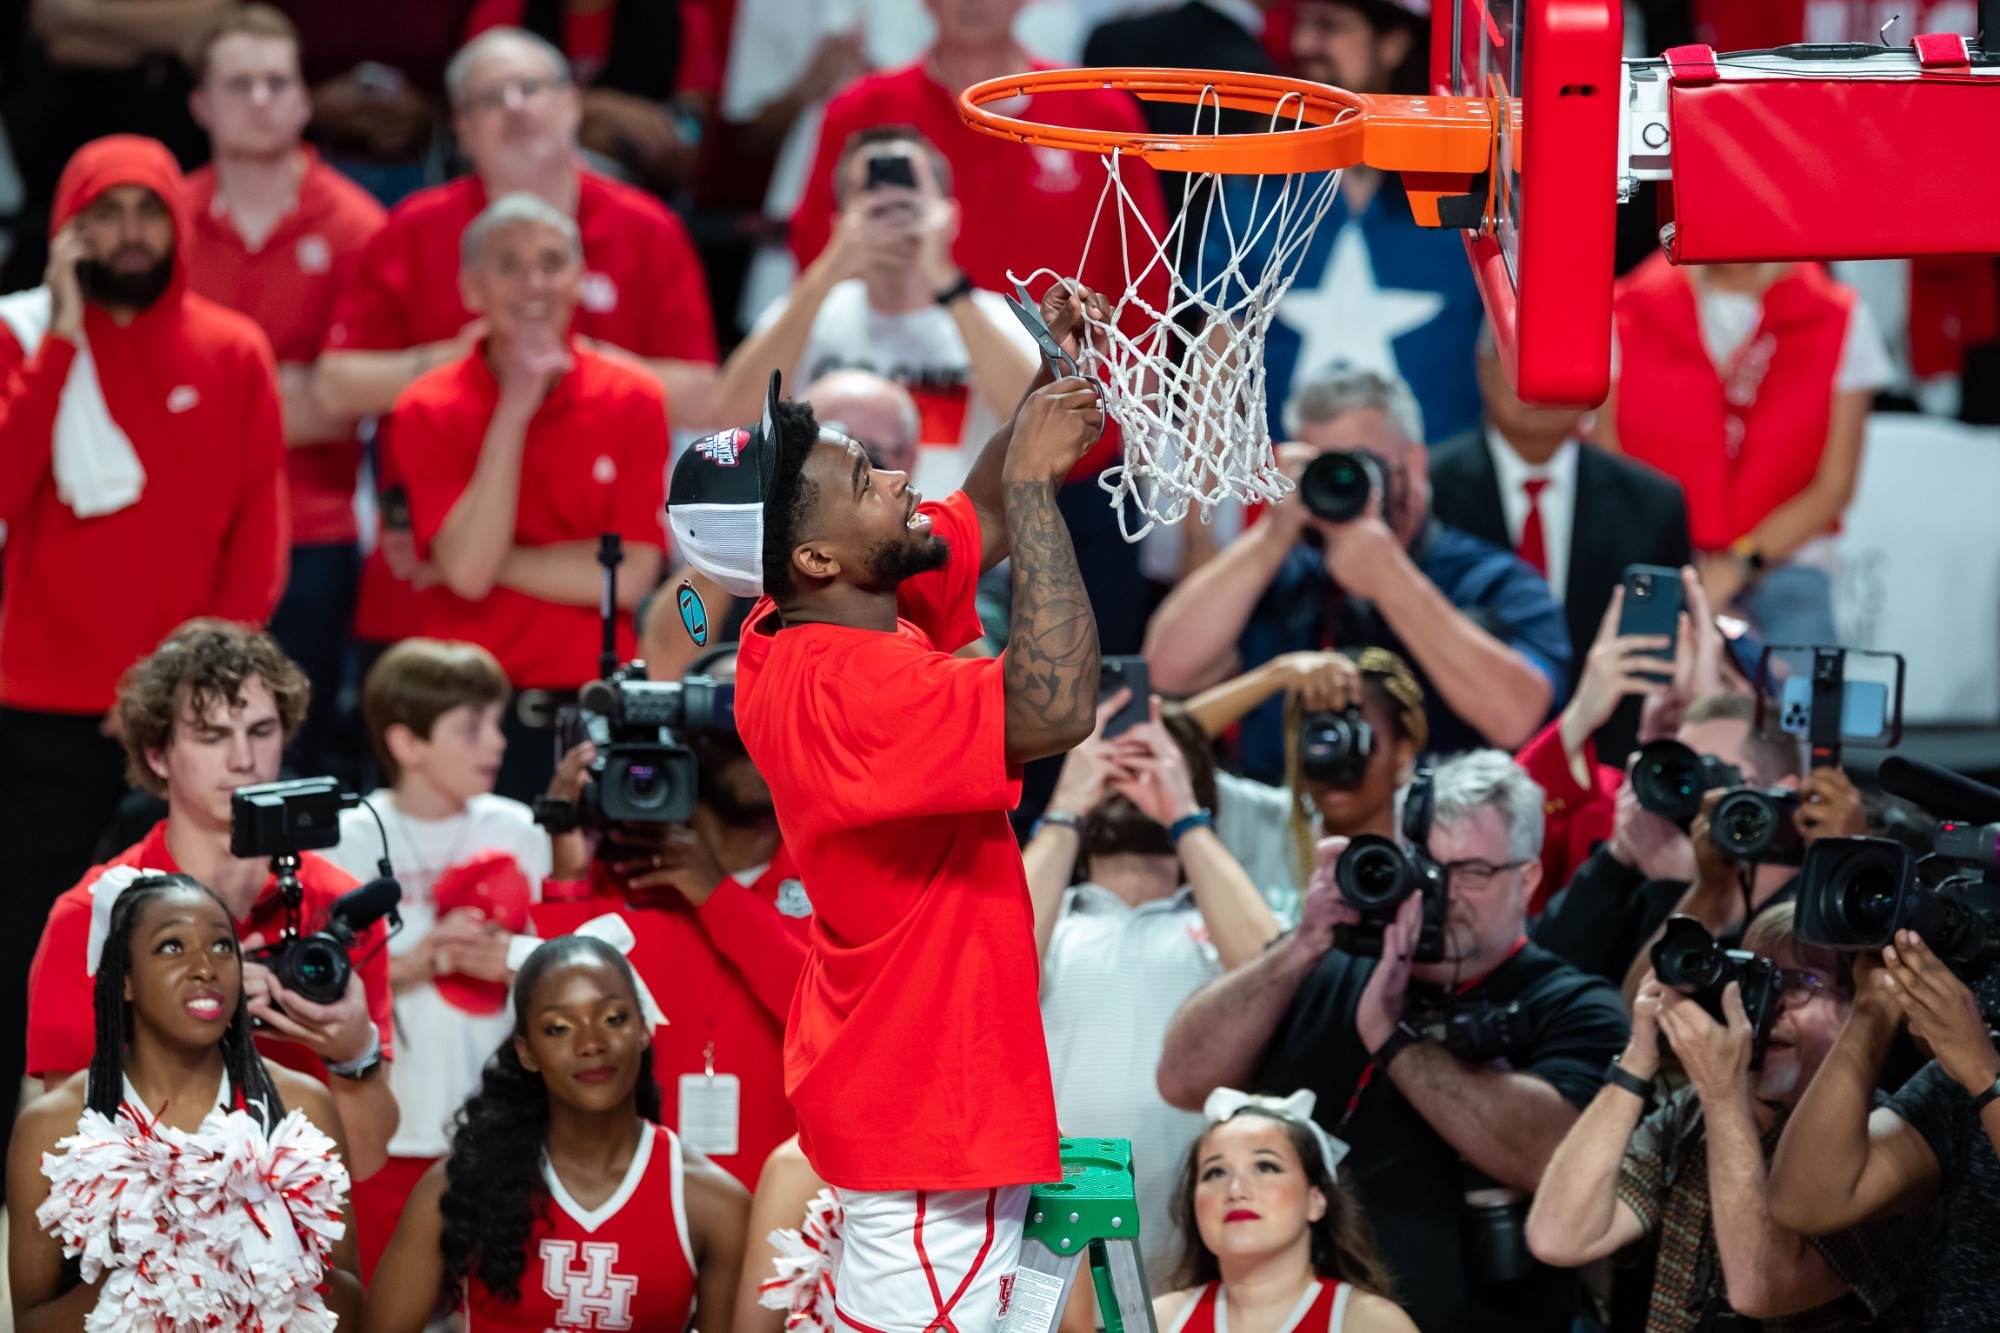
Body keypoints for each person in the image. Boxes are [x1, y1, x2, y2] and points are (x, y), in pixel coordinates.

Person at [665, 281, 1109, 1328]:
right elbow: (1055, 703)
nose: (900, 476)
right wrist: (1045, 492)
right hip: (928, 1131)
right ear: (814, 555)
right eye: (865, 477)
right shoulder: (840, 686)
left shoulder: (833, 602)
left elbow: (987, 507)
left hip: (924, 1114)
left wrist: (1049, 382)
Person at [0, 134, 287, 1145]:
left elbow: (257, 532)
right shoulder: (22, 336)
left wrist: (217, 697)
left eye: (148, 210)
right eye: (106, 213)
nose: (130, 234)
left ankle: (191, 1139)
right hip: (35, 704)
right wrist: (64, 342)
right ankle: (27, 1159)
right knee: (22, 938)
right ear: (68, 230)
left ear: (179, 222)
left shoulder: (233, 348)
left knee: (188, 936)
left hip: (181, 723)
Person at [1157, 750, 1631, 1332]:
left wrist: (1391, 1035)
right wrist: (1302, 944)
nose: (1442, 892)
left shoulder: (1574, 1004)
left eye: (1472, 872)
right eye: (1425, 866)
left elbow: (1552, 1157)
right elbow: (1181, 1079)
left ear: (1527, 877)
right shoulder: (1325, 962)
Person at [315, 25, 715, 672]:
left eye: (531, 88)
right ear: (462, 128)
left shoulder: (647, 229)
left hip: (580, 632)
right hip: (424, 609)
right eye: (491, 97)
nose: (517, 107)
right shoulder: (413, 229)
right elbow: (335, 384)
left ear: (573, 104)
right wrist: (485, 356)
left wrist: (575, 362)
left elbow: (704, 395)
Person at [784, 0, 1175, 655]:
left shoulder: (1098, 114)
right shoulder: (862, 111)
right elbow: (813, 261)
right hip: (899, 466)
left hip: (1075, 458)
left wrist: (1123, 427)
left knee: (1077, 702)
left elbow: (1144, 291)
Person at [25, 621, 400, 1184]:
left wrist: (353, 1054)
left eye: (262, 730)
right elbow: (74, 1160)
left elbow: (364, 1161)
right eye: (211, 736)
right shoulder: (93, 914)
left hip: (301, 1247)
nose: (242, 759)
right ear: (157, 754)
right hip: (146, 1248)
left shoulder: (339, 907)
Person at [1146, 363, 1571, 781]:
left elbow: (1519, 718)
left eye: (1362, 465)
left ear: (1417, 464)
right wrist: (1269, 539)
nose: (1343, 484)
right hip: (1282, 818)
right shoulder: (1284, 572)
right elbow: (1165, 672)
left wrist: (1392, 582)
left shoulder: (1491, 579)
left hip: (1438, 823)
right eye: (1325, 470)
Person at [1527, 904, 1927, 1332]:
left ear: (1855, 1008)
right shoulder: (1694, 1112)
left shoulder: (1892, 1138)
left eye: (1793, 985)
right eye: (1754, 982)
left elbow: (1762, 1288)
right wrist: (1639, 1057)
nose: (1768, 1007)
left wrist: (1723, 1095)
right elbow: (1559, 1236)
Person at [389, 192, 668, 801]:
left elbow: (629, 578)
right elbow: (467, 575)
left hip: (595, 705)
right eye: (509, 265)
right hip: (469, 711)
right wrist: (514, 407)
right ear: (470, 288)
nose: (533, 283)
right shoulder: (426, 407)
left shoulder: (633, 398)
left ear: (580, 280)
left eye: (551, 262)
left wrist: (491, 561)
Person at [7, 874, 363, 1329]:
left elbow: (350, 1302)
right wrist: (146, 1274)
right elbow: (31, 1322)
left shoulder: (300, 1108)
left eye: (221, 946)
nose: (205, 967)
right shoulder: (53, 1126)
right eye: (172, 946)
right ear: (124, 981)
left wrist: (273, 1254)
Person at [183, 3, 389, 777]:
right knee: (175, 739)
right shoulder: (166, 216)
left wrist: (203, 395)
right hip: (182, 526)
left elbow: (343, 399)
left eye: (279, 81)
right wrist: (291, 387)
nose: (263, 98)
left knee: (290, 752)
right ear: (202, 102)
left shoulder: (357, 225)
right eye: (241, 83)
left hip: (313, 528)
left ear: (305, 98)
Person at [365, 933, 752, 1330]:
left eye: (613, 1018)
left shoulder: (714, 1204)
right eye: (559, 1028)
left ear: (642, 1028)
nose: (591, 1043)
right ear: (527, 1051)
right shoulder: (460, 1187)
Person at [533, 645, 812, 1194]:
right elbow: (557, 1026)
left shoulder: (831, 873)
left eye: (763, 714)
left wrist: (716, 894)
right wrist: (568, 873)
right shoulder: (625, 870)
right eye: (724, 716)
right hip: (640, 1193)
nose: (745, 737)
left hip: (790, 1194)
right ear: (682, 737)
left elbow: (828, 1014)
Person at [322, 638, 559, 1281]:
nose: (497, 743)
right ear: (406, 743)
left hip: (495, 1118)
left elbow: (569, 964)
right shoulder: (348, 836)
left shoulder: (519, 828)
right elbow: (313, 977)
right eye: (471, 727)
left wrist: (506, 956)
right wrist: (412, 962)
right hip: (385, 1127)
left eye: (497, 723)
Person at [1028, 693, 1283, 1285]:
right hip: (1053, 1249)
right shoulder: (1051, 918)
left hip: (1209, 1257)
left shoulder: (1227, 922)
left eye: (1151, 763)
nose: (1129, 778)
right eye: (1111, 760)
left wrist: (1185, 816)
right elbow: (988, 967)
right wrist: (1066, 806)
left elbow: (1276, 981)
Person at [1195, 0, 1484, 444]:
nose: (1305, 44)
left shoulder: (1467, 189)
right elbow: (1216, 371)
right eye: (1301, 24)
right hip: (1288, 491)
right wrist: (1204, 508)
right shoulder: (1255, 186)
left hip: (1440, 487)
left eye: (1330, 26)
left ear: (1393, 43)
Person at [722, 125, 1038, 496]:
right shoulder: (808, 312)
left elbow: (1036, 429)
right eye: (870, 191)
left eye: (908, 192)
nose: (889, 202)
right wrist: (831, 268)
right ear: (839, 221)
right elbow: (735, 419)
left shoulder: (997, 318)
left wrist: (946, 283)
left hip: (952, 540)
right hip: (828, 540)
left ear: (951, 217)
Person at [1430, 326, 1692, 762]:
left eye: (1561, 357)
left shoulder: (1651, 505)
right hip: (1456, 765)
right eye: (1520, 355)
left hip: (1608, 772)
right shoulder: (1427, 494)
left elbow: (1658, 666)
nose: (1542, 379)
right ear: (1483, 367)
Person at [1597, 260, 1891, 646]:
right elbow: (1607, 459)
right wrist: (1687, 571)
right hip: (1657, 563)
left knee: (1799, 693)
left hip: (1785, 567)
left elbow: (1834, 487)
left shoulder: (1839, 314)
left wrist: (1735, 568)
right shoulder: (1623, 309)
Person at [1768, 932, 2000, 1331]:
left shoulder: (1981, 1070)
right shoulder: (1970, 1075)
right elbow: (1807, 1201)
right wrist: (1873, 1008)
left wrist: (1983, 1072)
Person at [1152, 1095, 1419, 1333]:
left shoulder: (1371, 1324)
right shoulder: (1156, 1321)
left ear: (1316, 1201)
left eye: (1266, 1167)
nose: (1235, 1190)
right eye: (1215, 1172)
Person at [1182, 647, 1427, 903]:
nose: (1336, 760)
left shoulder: (1436, 835)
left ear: (1403, 752)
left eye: (1357, 740)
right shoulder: (1267, 823)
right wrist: (1275, 675)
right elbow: (1149, 750)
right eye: (1319, 738)